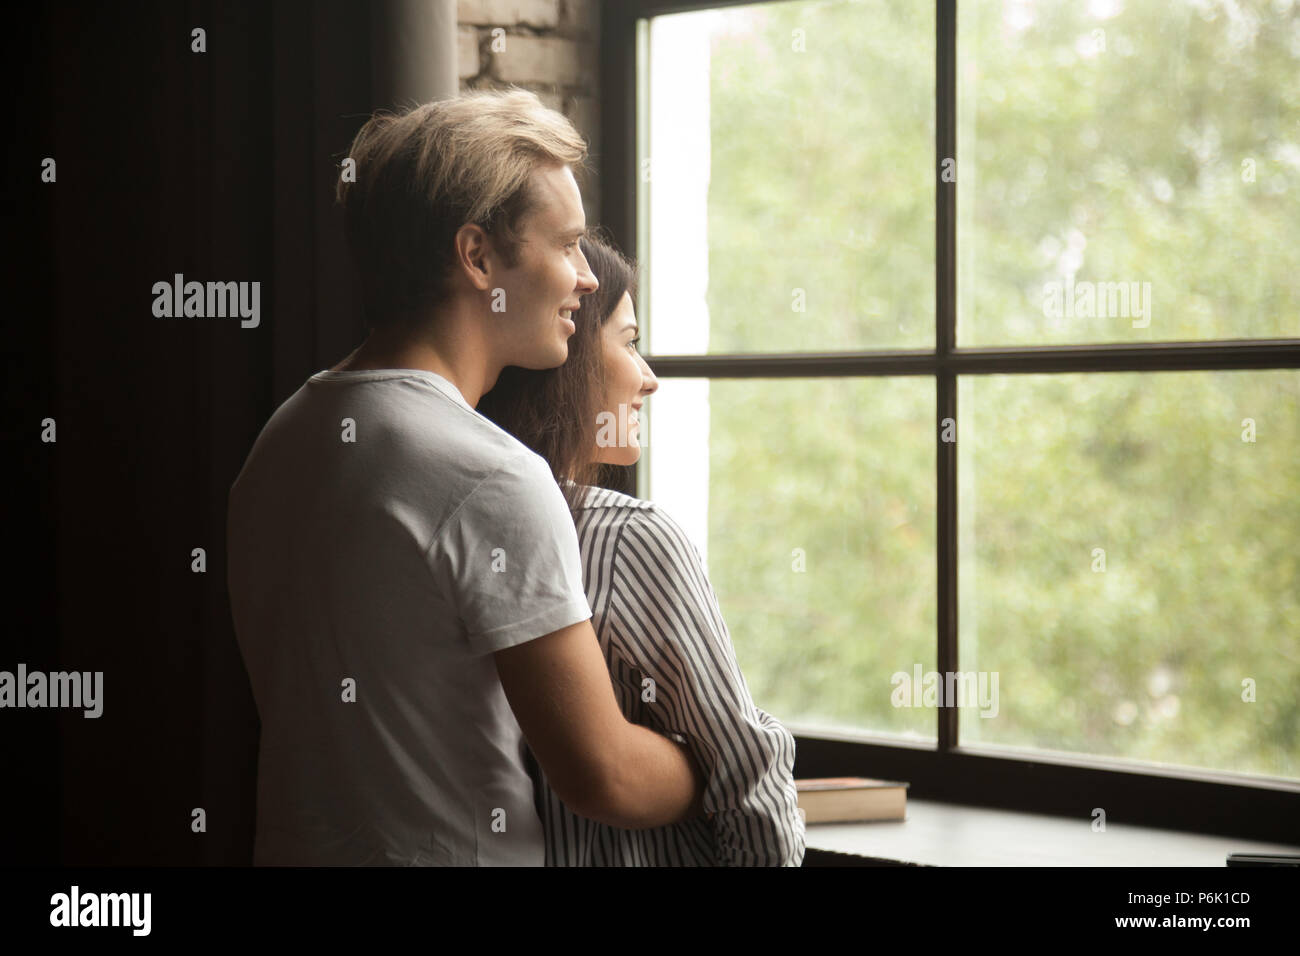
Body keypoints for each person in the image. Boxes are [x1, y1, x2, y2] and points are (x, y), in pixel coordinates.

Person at [226, 90, 706, 867]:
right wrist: (725, 757)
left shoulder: (281, 440)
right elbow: (605, 777)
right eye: (569, 245)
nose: (587, 279)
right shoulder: (490, 477)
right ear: (478, 257)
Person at [477, 231, 806, 865]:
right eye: (629, 343)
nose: (648, 379)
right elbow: (750, 769)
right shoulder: (633, 539)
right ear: (568, 359)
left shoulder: (463, 521)